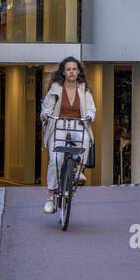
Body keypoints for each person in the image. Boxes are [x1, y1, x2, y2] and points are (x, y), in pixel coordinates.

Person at [40, 57, 95, 214]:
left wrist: (90, 116)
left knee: (85, 140)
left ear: (78, 72)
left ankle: (78, 171)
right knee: (55, 160)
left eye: (74, 69)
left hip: (77, 125)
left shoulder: (84, 90)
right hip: (59, 125)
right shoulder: (56, 88)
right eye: (68, 69)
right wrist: (45, 115)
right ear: (63, 72)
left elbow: (91, 108)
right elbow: (47, 107)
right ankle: (50, 198)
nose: (71, 72)